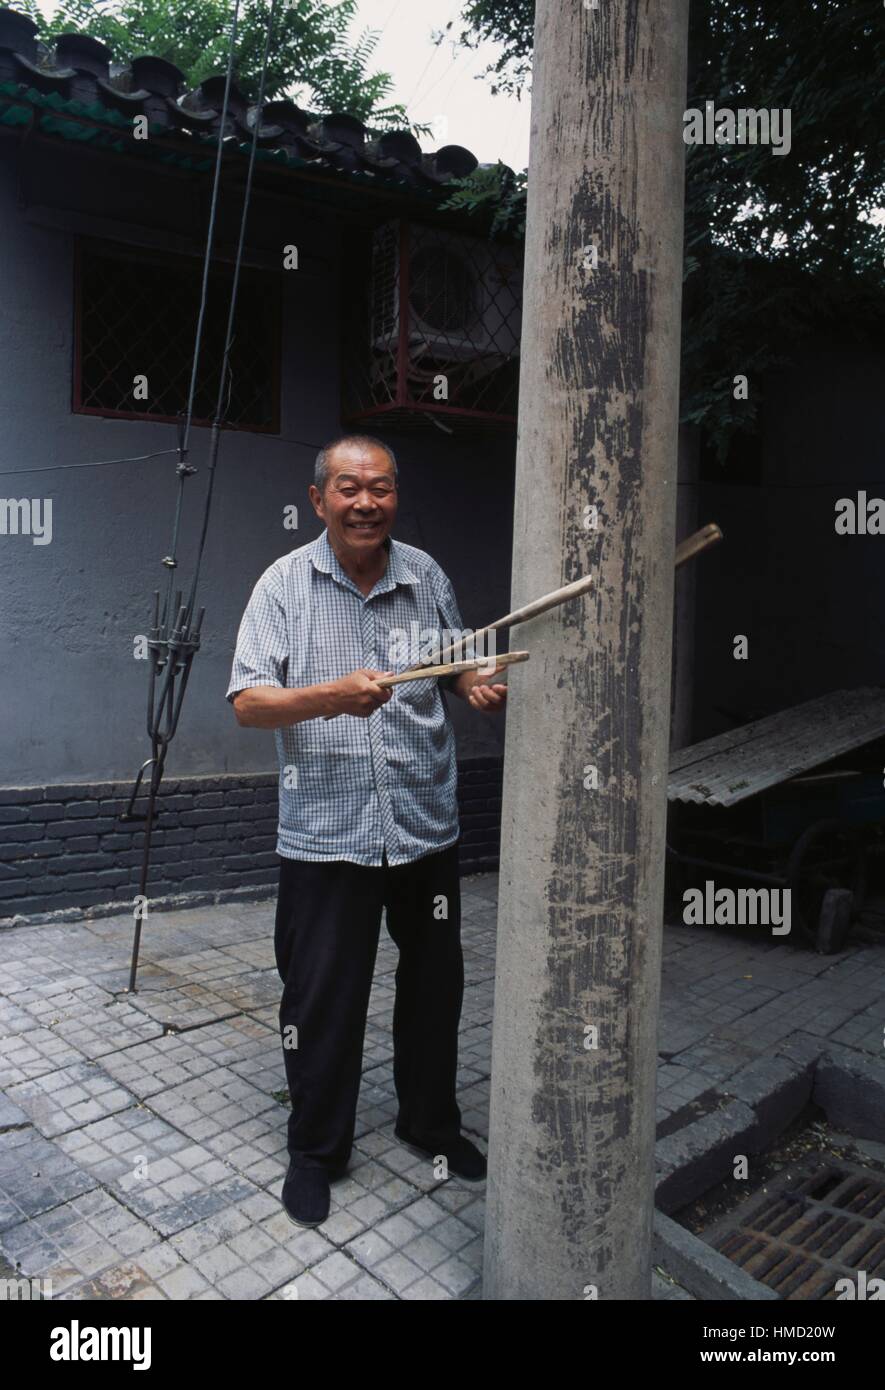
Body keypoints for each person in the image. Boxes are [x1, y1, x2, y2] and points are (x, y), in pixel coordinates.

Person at [226, 434, 508, 1227]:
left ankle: (430, 1123)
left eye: (379, 488)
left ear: (394, 496)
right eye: (348, 488)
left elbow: (453, 663)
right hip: (326, 835)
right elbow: (248, 701)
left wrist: (473, 680)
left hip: (423, 826)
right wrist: (327, 697)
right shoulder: (283, 585)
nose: (365, 503)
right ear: (318, 499)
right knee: (321, 999)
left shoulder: (425, 576)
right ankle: (317, 1150)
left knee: (433, 988)